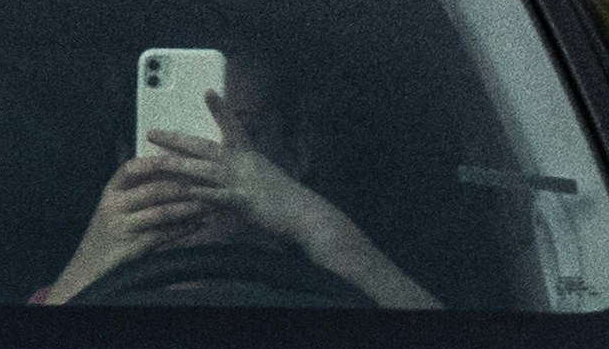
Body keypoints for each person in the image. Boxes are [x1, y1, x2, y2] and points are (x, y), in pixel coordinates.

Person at [32, 54, 435, 308]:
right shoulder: (85, 287)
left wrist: (316, 225)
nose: (207, 156)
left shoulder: (339, 293)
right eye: (176, 135)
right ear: (127, 154)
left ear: (295, 154)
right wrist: (88, 268)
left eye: (242, 133)